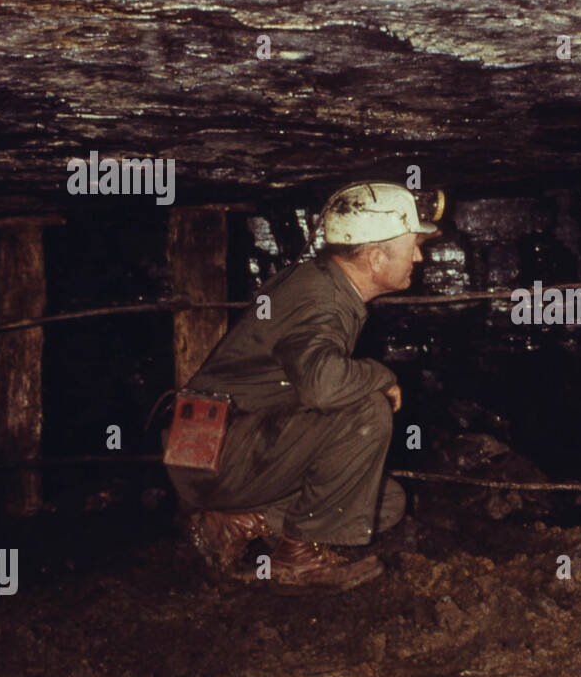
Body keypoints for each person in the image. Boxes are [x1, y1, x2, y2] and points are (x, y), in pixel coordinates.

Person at [165, 182, 436, 589]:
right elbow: (324, 389)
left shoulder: (321, 283)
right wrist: (381, 375)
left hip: (218, 446)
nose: (419, 255)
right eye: (412, 245)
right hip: (216, 454)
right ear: (378, 256)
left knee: (385, 503)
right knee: (367, 411)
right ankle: (297, 556)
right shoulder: (322, 300)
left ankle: (240, 520)